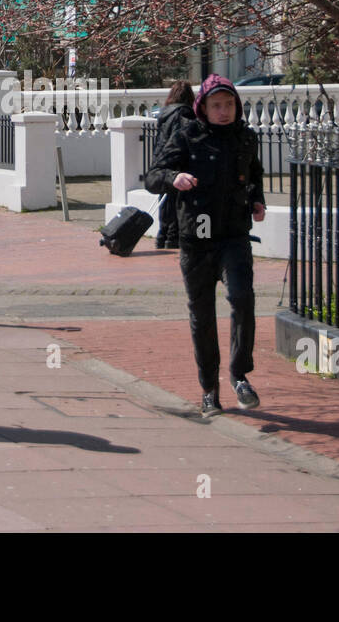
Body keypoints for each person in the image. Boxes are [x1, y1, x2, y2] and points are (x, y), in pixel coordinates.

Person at [145, 74, 266, 419]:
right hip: (196, 240)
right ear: (204, 107)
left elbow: (254, 176)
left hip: (233, 236)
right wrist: (174, 178)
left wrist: (257, 200)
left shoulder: (246, 138)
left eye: (229, 105)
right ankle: (209, 389)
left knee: (242, 297)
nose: (224, 111)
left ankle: (239, 374)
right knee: (202, 315)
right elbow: (154, 176)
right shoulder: (187, 136)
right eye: (217, 105)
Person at [153, 81, 196, 249]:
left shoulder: (164, 113)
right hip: (176, 161)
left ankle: (161, 235)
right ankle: (172, 237)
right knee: (175, 198)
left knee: (164, 198)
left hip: (161, 159)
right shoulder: (184, 113)